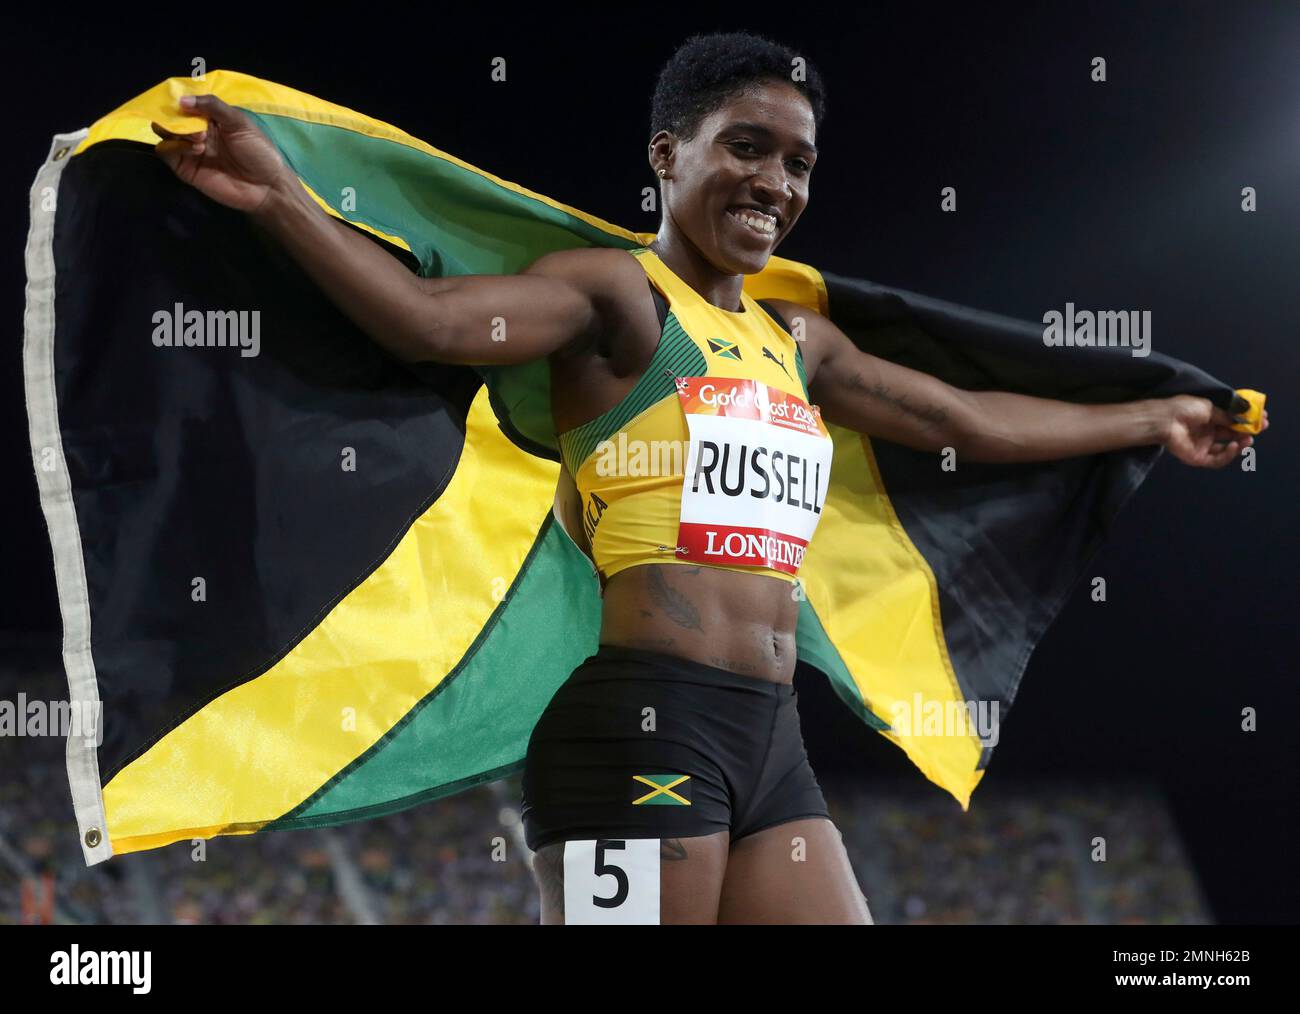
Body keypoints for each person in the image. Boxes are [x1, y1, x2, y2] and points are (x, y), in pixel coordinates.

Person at [152, 31, 1266, 925]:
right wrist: (283, 198)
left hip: (767, 739)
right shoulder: (615, 300)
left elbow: (961, 418)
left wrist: (1151, 415)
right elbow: (428, 322)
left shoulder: (799, 343)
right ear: (666, 154)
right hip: (638, 724)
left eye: (797, 164)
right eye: (745, 147)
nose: (773, 182)